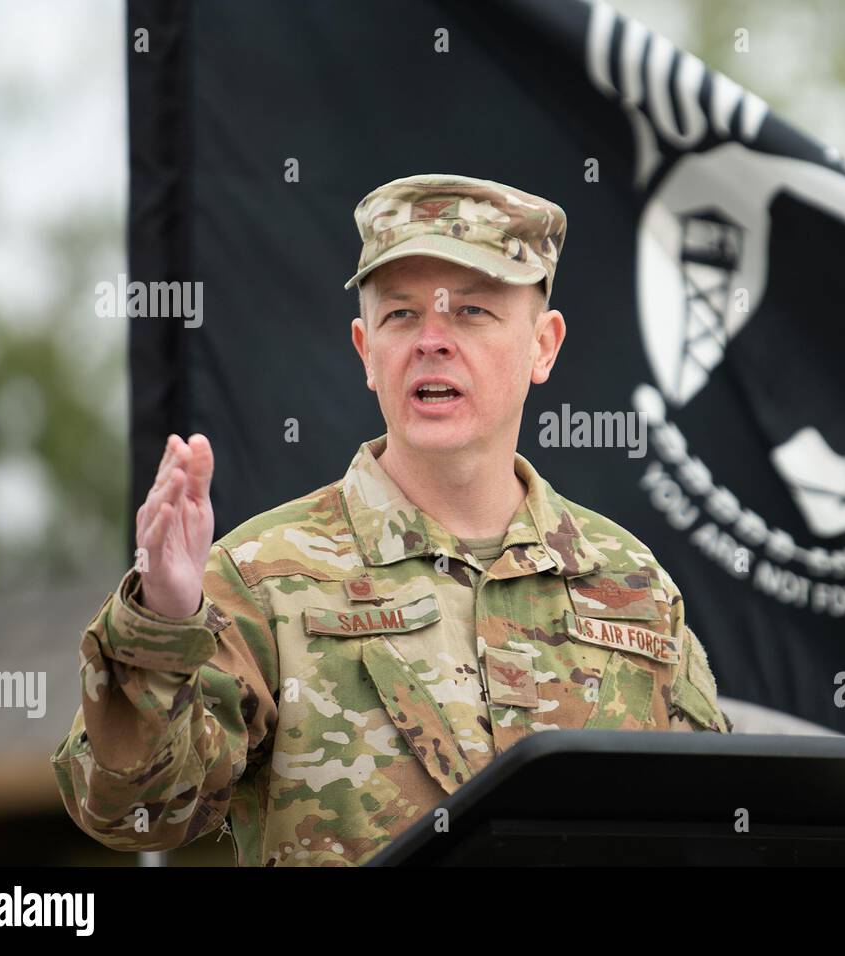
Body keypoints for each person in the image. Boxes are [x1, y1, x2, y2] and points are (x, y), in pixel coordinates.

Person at [50, 173, 731, 867]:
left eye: (471, 312)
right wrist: (162, 622)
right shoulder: (260, 578)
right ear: (364, 350)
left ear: (543, 345)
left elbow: (719, 825)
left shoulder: (633, 584)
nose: (431, 340)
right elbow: (131, 814)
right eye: (401, 315)